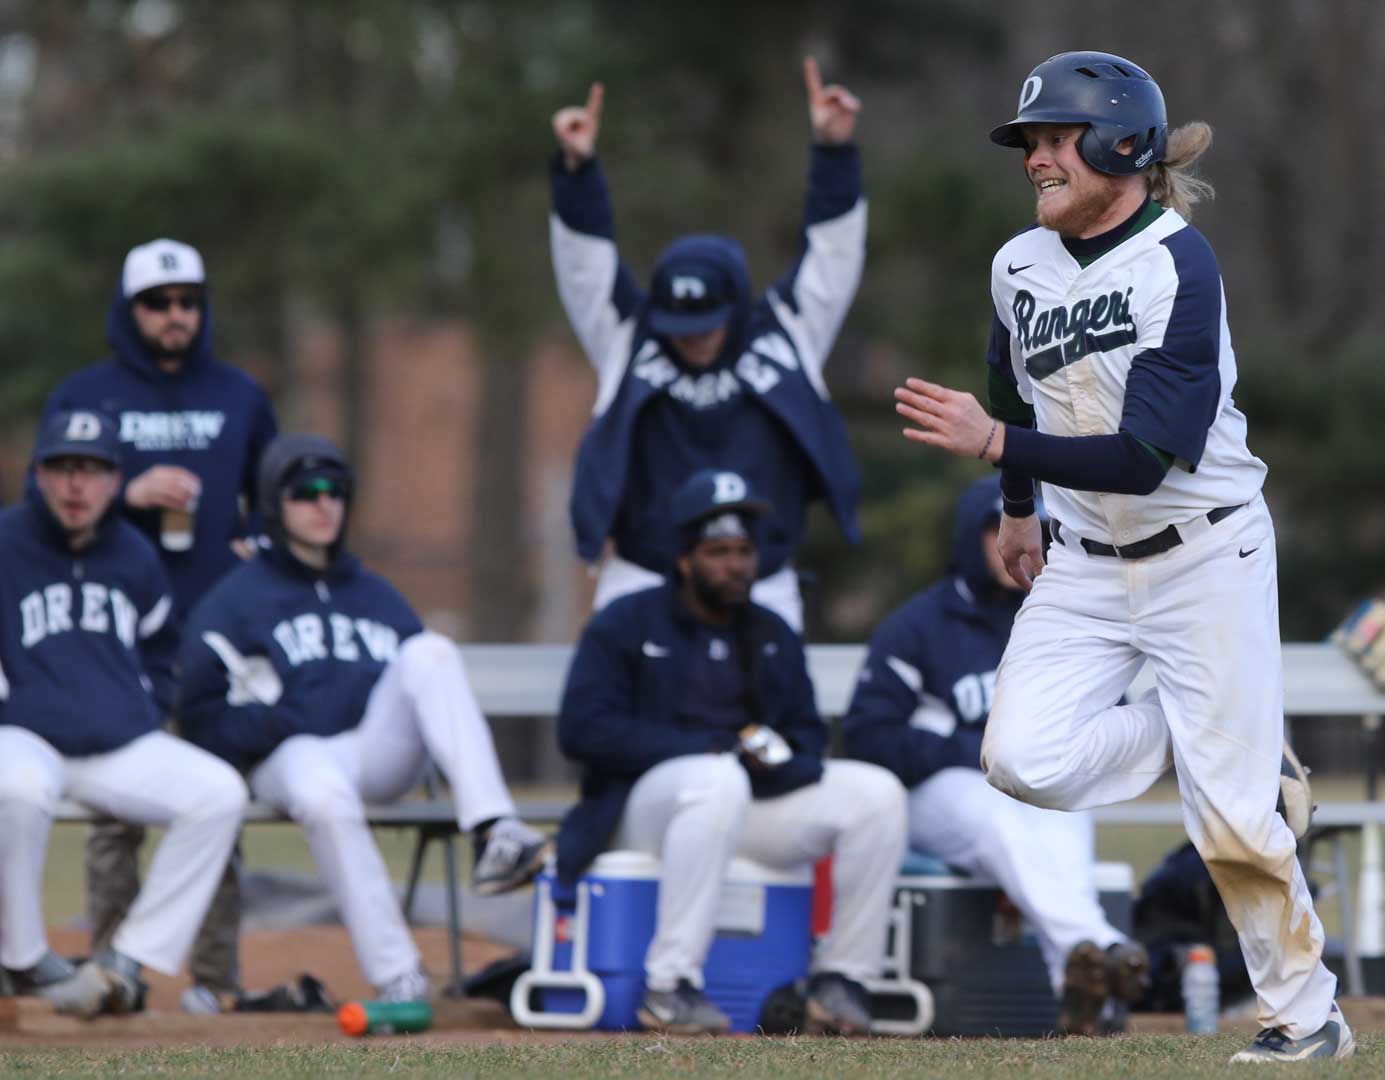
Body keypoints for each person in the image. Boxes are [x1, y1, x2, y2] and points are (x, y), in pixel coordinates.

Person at [892, 51, 1354, 1062]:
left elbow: (1146, 459)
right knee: (1019, 759)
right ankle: (1219, 738)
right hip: (1084, 559)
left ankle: (1307, 1017)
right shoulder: (1020, 263)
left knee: (1232, 827)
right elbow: (1010, 384)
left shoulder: (1179, 265)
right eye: (1032, 145)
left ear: (1123, 146)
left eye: (1058, 141)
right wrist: (1016, 506)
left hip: (1204, 552)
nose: (1038, 162)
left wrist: (997, 449)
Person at [174, 434, 550, 1004]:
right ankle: (398, 975)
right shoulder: (236, 600)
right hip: (288, 759)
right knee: (321, 791)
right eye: (305, 493)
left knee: (433, 651)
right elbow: (199, 717)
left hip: (373, 752)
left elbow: (423, 688)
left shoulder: (375, 594)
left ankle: (495, 830)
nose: (324, 504)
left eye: (335, 491)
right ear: (275, 505)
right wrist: (276, 723)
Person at [554, 469, 907, 1036]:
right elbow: (582, 730)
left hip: (744, 802)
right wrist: (712, 749)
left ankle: (840, 982)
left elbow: (807, 733)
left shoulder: (770, 631)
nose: (737, 565)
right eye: (718, 552)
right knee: (715, 779)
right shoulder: (626, 622)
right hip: (644, 809)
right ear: (685, 558)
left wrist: (784, 763)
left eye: (744, 551)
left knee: (876, 794)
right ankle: (669, 986)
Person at [547, 59, 866, 629]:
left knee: (772, 718)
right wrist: (578, 170)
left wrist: (834, 152)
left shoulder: (787, 333)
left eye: (707, 325)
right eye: (679, 327)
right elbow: (585, 267)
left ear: (736, 310)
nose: (692, 340)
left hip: (761, 584)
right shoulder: (629, 337)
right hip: (645, 578)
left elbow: (832, 256)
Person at [44, 238, 279, 1008]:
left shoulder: (240, 394)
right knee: (117, 813)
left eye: (189, 302)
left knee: (216, 798)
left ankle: (215, 981)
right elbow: (44, 501)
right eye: (158, 303)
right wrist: (128, 492)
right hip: (111, 635)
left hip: (214, 630)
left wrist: (260, 542)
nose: (176, 316)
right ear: (129, 309)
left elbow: (282, 489)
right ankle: (112, 973)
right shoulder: (88, 396)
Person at [842, 476, 1147, 1034]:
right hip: (935, 797)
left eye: (1040, 527)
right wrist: (967, 751)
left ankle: (1085, 986)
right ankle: (1099, 943)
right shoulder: (918, 627)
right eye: (1000, 526)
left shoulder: (1064, 620)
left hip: (1031, 795)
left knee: (1060, 806)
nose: (1021, 537)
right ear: (971, 536)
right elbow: (866, 735)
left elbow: (1108, 722)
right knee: (997, 812)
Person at [0, 410, 248, 1017]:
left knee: (218, 792)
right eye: (61, 469)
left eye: (91, 470)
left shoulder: (133, 553)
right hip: (24, 735)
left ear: (115, 481)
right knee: (17, 788)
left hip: (117, 743)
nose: (75, 485)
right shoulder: (5, 542)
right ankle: (25, 956)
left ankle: (127, 960)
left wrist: (149, 707)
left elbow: (164, 650)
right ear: (39, 475)